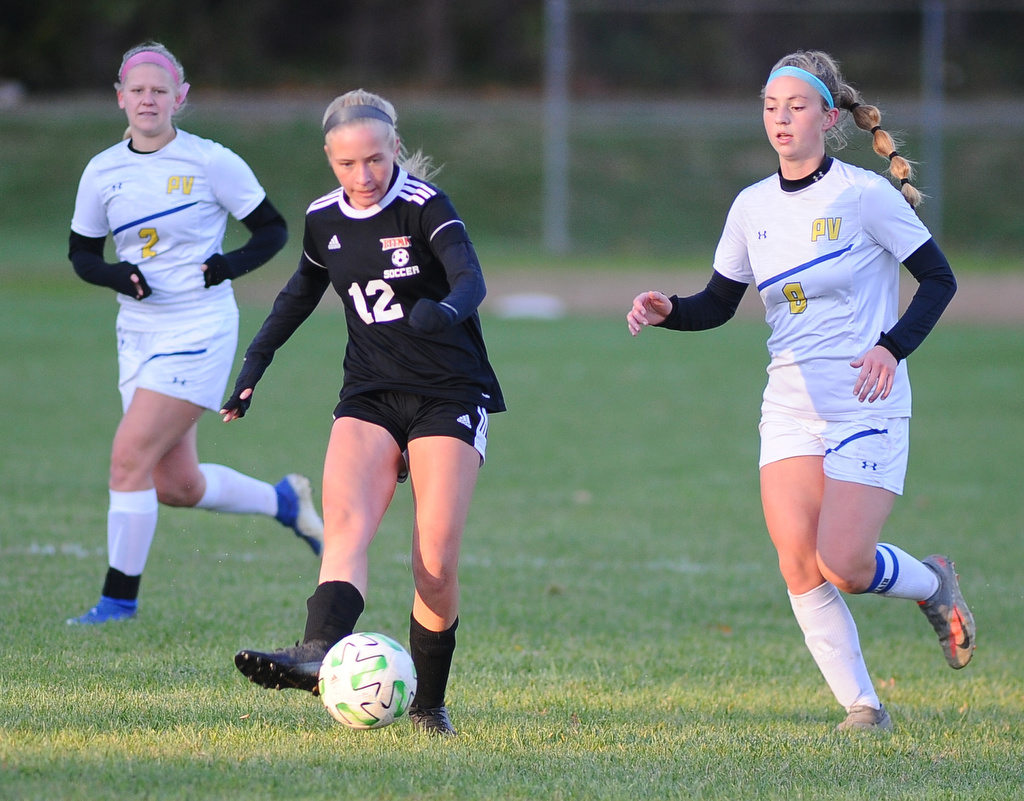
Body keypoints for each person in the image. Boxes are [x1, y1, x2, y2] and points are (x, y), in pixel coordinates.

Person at [627, 50, 975, 731]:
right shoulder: (751, 205)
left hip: (867, 402)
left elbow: (940, 280)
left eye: (795, 106)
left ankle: (933, 581)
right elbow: (720, 302)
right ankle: (864, 706)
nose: (781, 119)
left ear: (827, 114)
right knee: (798, 562)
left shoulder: (863, 195)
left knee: (842, 563)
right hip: (789, 404)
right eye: (769, 107)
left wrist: (890, 345)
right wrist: (670, 308)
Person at [221, 89, 505, 736]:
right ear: (330, 159)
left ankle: (429, 704)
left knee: (432, 561)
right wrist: (253, 369)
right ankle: (317, 649)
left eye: (375, 159)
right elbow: (297, 294)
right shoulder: (325, 218)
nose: (364, 176)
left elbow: (471, 278)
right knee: (344, 529)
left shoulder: (424, 205)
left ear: (395, 148)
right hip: (370, 393)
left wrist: (445, 310)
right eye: (348, 164)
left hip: (447, 391)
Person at [67, 42, 324, 626]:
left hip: (199, 330)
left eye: (160, 89)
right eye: (138, 90)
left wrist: (226, 266)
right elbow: (82, 254)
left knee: (127, 458)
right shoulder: (102, 170)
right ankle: (284, 501)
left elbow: (273, 230)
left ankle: (116, 604)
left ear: (180, 97)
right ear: (120, 99)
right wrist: (116, 275)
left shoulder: (211, 162)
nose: (149, 99)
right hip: (136, 335)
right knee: (175, 485)